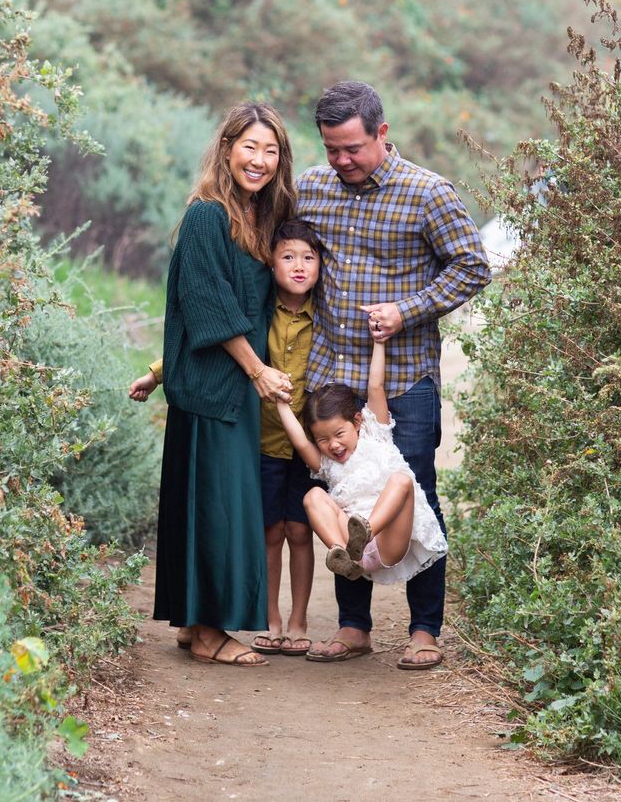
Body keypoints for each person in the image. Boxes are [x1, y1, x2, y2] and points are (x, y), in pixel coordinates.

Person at [294, 80, 490, 670]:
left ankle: (424, 629)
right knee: (344, 496)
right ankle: (354, 628)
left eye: (352, 148)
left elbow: (473, 265)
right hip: (331, 377)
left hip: (405, 381)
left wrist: (408, 310)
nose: (341, 161)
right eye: (331, 148)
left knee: (416, 496)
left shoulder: (427, 192)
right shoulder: (310, 188)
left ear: (382, 133)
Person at [131, 219, 326, 657]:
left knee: (292, 529)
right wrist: (157, 374)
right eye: (287, 257)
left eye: (308, 258)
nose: (298, 266)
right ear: (271, 264)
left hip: (304, 442)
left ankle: (280, 621)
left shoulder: (324, 314)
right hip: (256, 429)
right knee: (258, 527)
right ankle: (237, 625)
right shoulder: (258, 303)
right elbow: (211, 318)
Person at [149, 101, 296, 667]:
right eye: (250, 147)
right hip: (217, 385)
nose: (258, 160)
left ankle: (193, 624)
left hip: (232, 388)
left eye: (270, 150)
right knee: (218, 508)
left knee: (212, 503)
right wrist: (257, 370)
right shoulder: (207, 215)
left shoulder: (257, 218)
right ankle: (210, 634)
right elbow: (207, 304)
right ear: (226, 148)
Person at [276, 339, 447, 588]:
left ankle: (367, 529)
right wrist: (281, 402)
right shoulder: (326, 463)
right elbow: (301, 442)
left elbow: (375, 386)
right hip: (351, 546)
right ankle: (339, 553)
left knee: (401, 480)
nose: (333, 445)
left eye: (339, 434)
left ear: (357, 422)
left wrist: (379, 343)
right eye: (323, 440)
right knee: (312, 495)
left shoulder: (375, 433)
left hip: (387, 540)